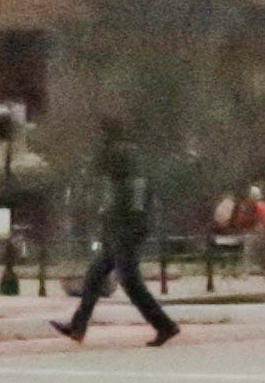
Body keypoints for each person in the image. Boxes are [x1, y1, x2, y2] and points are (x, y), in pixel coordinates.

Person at [55, 122, 180, 345]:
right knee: (95, 275)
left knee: (130, 280)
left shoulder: (121, 154)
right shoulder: (127, 156)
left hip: (127, 226)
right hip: (125, 225)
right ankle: (78, 326)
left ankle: (165, 325)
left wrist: (122, 220)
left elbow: (121, 186)